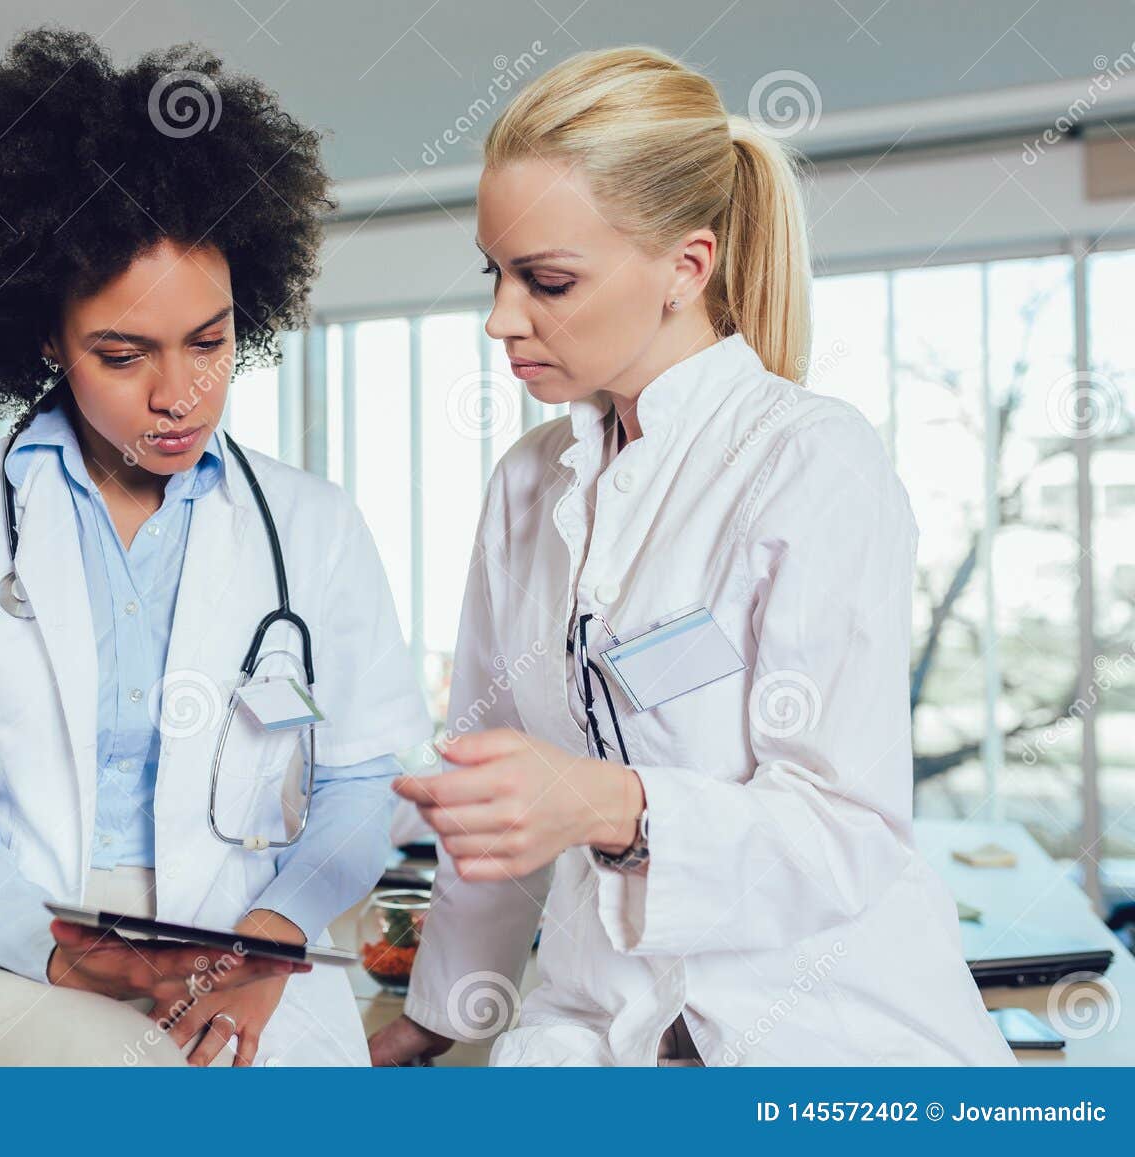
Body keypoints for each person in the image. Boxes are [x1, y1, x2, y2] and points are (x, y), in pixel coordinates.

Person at [368, 46, 1014, 1067]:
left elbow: (845, 828)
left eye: (547, 280)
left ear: (686, 265)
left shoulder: (808, 459)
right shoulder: (526, 485)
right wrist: (440, 1010)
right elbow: (489, 808)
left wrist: (605, 803)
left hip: (829, 1030)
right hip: (594, 1021)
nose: (500, 318)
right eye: (495, 274)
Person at [0, 27, 431, 1068]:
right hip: (0, 946)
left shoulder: (313, 527)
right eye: (123, 352)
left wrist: (273, 933)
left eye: (210, 340)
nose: (179, 394)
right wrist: (70, 956)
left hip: (246, 932)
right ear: (46, 339)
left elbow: (358, 790)